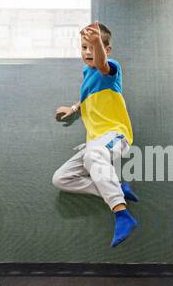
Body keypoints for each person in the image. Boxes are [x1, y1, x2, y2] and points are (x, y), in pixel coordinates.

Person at [52, 22, 140, 247]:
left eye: (93, 47)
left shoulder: (111, 68)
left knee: (94, 156)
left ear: (106, 49)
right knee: (61, 178)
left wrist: (96, 43)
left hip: (115, 135)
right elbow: (87, 97)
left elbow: (102, 64)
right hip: (95, 143)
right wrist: (73, 108)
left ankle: (122, 214)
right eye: (84, 47)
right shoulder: (87, 74)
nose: (88, 52)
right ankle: (118, 189)